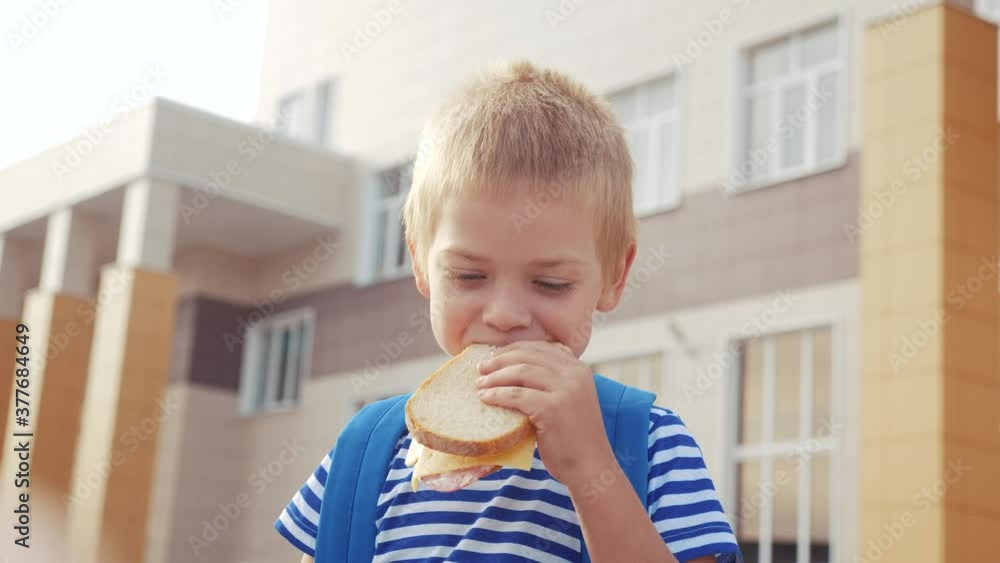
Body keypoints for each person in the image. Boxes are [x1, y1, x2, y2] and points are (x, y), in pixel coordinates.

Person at [275, 59, 742, 563]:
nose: (504, 314)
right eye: (469, 276)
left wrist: (590, 470)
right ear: (420, 262)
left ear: (614, 276)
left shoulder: (650, 444)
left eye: (550, 283)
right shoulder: (363, 452)